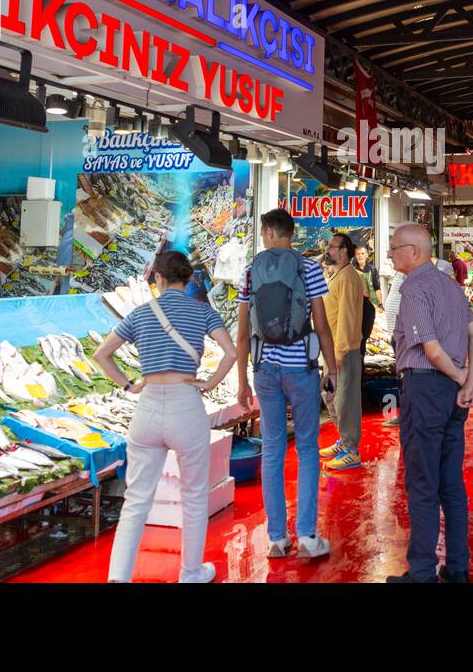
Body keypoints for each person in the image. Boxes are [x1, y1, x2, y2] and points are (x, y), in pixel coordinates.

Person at [93, 251, 238, 583]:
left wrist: (129, 384)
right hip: (186, 404)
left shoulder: (140, 313)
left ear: (157, 277)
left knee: (136, 501)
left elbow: (102, 354)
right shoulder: (203, 311)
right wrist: (209, 383)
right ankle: (190, 572)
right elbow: (231, 353)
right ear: (187, 280)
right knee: (194, 494)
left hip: (147, 407)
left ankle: (118, 577)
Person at [235, 208, 338, 560]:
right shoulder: (309, 268)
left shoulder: (251, 270)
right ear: (291, 234)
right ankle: (308, 536)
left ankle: (277, 538)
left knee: (273, 450)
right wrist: (333, 369)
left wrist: (241, 381)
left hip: (264, 370)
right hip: (301, 370)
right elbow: (321, 324)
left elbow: (242, 332)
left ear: (267, 232)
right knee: (308, 448)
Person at [385, 224, 473, 583]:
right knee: (451, 483)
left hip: (426, 390)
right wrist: (469, 383)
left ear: (414, 251)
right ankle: (458, 567)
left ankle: (422, 572)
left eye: (394, 248)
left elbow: (431, 349)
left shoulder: (414, 287)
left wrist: (462, 380)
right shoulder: (449, 285)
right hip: (452, 396)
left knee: (422, 483)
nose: (391, 254)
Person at [320, 232, 366, 472]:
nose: (329, 250)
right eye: (329, 246)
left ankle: (351, 449)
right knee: (331, 397)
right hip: (333, 350)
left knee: (344, 400)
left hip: (342, 351)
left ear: (344, 251)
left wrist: (339, 352)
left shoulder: (348, 278)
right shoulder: (339, 275)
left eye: (333, 247)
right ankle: (344, 439)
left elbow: (347, 318)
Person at [382, 266, 407, 427]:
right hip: (397, 335)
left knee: (405, 377)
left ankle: (406, 414)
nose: (390, 255)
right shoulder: (400, 272)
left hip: (404, 336)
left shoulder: (412, 273)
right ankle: (405, 413)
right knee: (401, 375)